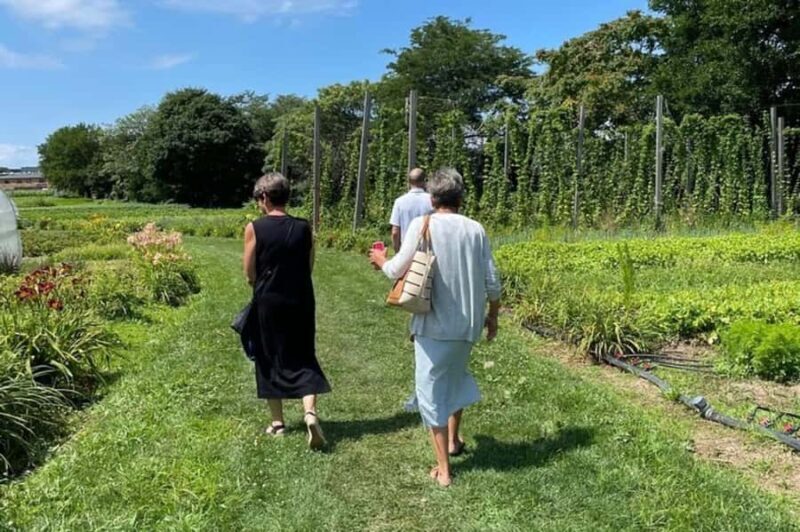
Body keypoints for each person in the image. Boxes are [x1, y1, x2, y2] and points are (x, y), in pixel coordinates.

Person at [370, 168, 501, 487]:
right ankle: (453, 442)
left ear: (432, 198)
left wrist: (379, 259)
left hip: (434, 323)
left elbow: (396, 270)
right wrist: (493, 316)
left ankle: (443, 469)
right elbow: (493, 281)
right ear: (461, 197)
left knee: (429, 392)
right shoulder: (476, 229)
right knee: (454, 379)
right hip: (468, 323)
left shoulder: (422, 224)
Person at [243, 173, 331, 450]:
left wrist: (259, 284)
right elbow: (309, 265)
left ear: (265, 197)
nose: (259, 203)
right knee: (303, 353)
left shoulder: (255, 227)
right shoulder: (305, 228)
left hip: (269, 300)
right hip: (301, 298)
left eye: (259, 199)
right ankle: (310, 413)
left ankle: (278, 422)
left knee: (268, 355)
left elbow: (249, 272)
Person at [390, 168, 434, 253]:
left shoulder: (399, 202)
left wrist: (397, 251)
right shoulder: (432, 200)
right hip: (426, 251)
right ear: (424, 181)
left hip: (406, 251)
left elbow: (395, 232)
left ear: (409, 182)